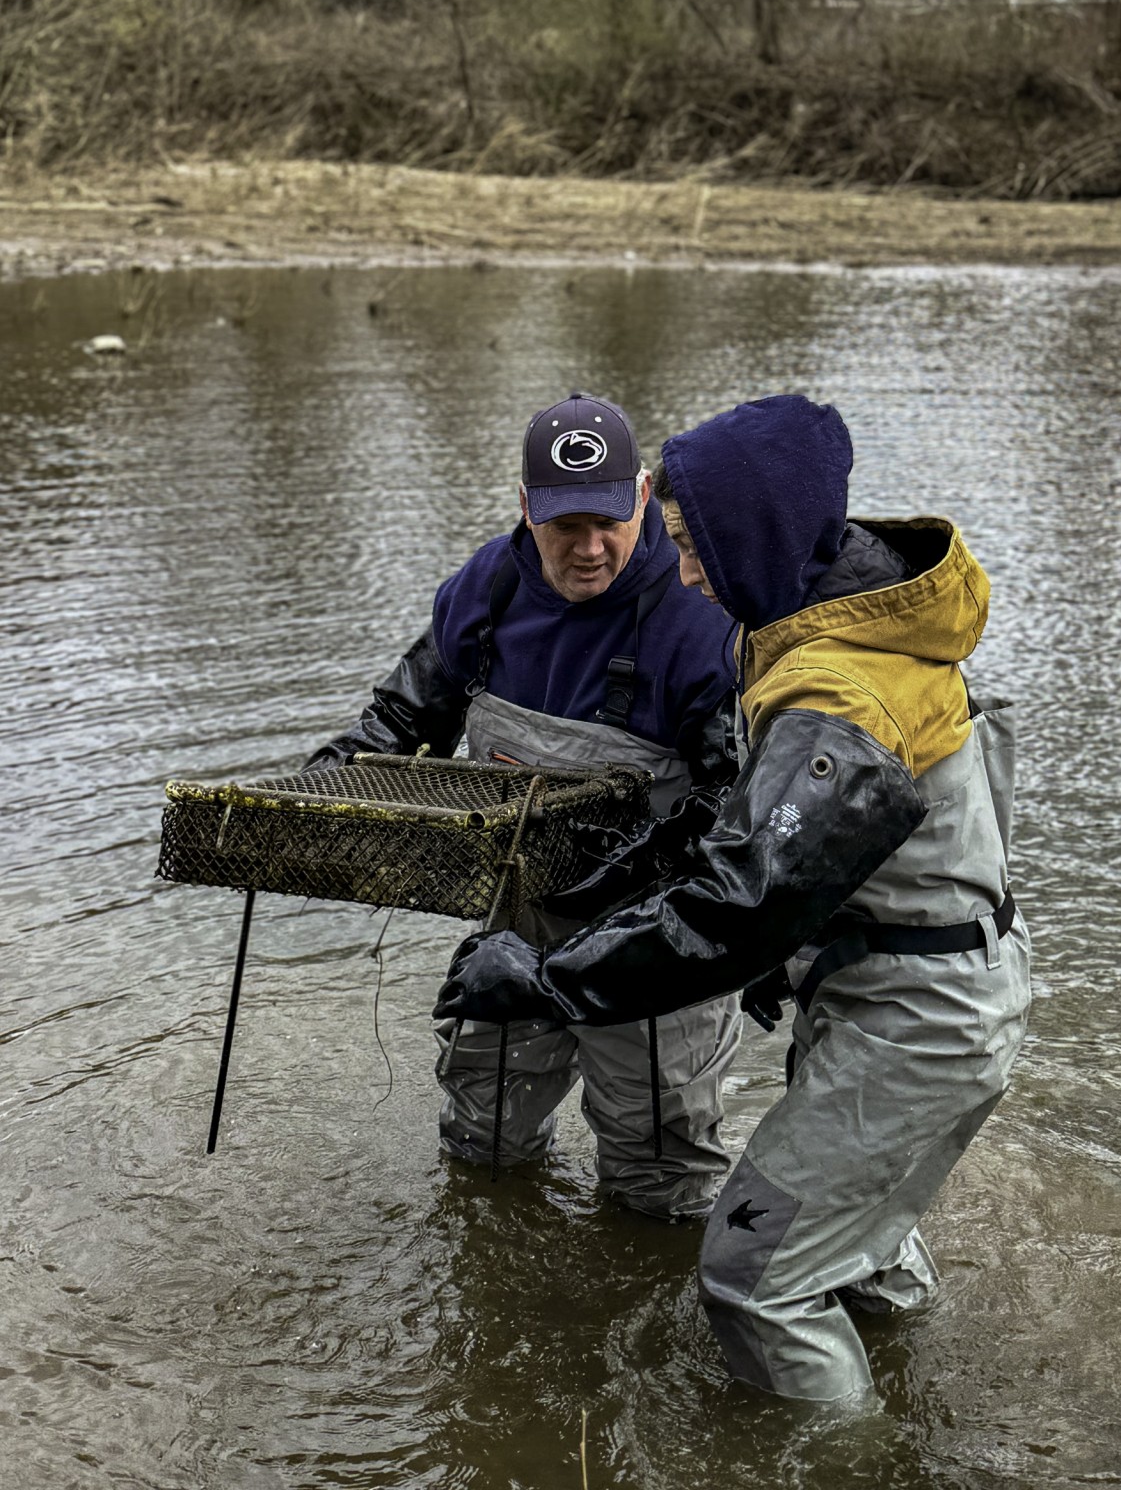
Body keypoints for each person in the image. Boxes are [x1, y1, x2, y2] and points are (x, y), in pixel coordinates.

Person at [435, 393, 1032, 1405]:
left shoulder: (838, 687)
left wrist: (543, 977)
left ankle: (840, 1466)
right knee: (862, 1255)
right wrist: (780, 948)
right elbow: (825, 841)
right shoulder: (870, 625)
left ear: (752, 536)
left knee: (751, 1279)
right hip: (930, 991)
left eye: (698, 546)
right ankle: (916, 1394)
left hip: (913, 1024)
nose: (693, 574)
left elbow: (733, 906)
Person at [308, 391, 743, 1220]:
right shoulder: (488, 587)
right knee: (480, 1148)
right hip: (514, 929)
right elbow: (401, 720)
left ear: (644, 498)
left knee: (656, 1189)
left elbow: (730, 821)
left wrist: (594, 937)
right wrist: (327, 781)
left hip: (651, 940)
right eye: (563, 525)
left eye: (609, 521)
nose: (588, 549)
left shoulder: (702, 619)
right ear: (524, 509)